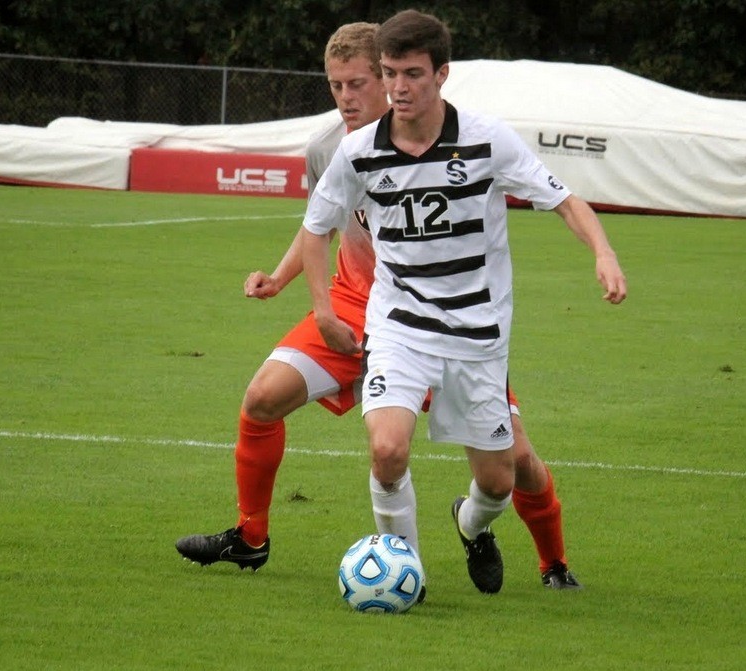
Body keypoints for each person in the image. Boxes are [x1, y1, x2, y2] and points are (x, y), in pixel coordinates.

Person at [175, 21, 592, 591]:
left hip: (453, 320)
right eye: (335, 87)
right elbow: (319, 227)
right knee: (262, 398)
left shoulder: (459, 137)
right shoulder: (333, 149)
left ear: (392, 77)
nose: (346, 98)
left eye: (357, 84)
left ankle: (550, 562)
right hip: (358, 308)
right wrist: (280, 278)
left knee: (513, 465)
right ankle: (252, 537)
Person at [298, 10, 626, 595]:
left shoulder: (486, 138)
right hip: (398, 325)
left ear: (442, 74)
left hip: (478, 335)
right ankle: (409, 576)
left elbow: (565, 200)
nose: (399, 88)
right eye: (391, 73)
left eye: (413, 74)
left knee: (499, 483)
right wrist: (323, 309)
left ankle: (470, 524)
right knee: (388, 448)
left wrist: (603, 252)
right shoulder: (358, 153)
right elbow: (315, 227)